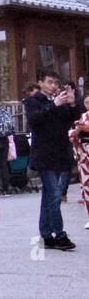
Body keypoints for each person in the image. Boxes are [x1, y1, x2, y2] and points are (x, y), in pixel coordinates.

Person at [24, 68, 78, 251]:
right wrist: (53, 105)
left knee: (49, 196)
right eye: (49, 82)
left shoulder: (60, 100)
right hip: (44, 154)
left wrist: (71, 104)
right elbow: (34, 120)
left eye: (55, 83)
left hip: (61, 152)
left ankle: (46, 234)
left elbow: (70, 120)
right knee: (55, 195)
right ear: (40, 83)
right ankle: (59, 234)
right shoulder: (33, 101)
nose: (53, 86)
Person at [68, 94, 89, 231]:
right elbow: (73, 132)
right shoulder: (83, 117)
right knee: (87, 186)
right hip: (85, 153)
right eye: (87, 103)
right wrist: (75, 132)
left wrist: (84, 128)